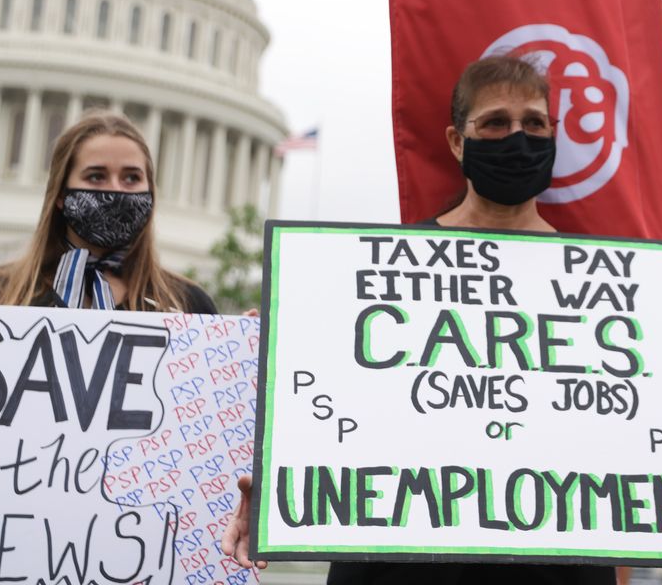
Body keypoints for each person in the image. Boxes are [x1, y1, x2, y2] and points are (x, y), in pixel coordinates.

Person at [222, 56, 620, 584]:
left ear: (554, 133)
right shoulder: (374, 271)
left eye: (534, 123)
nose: (518, 137)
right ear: (458, 142)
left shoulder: (611, 287)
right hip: (396, 566)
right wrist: (273, 488)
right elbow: (325, 413)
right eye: (496, 123)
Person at [0, 110, 214, 314]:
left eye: (131, 178)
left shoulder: (188, 306)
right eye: (96, 176)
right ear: (61, 194)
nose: (115, 190)